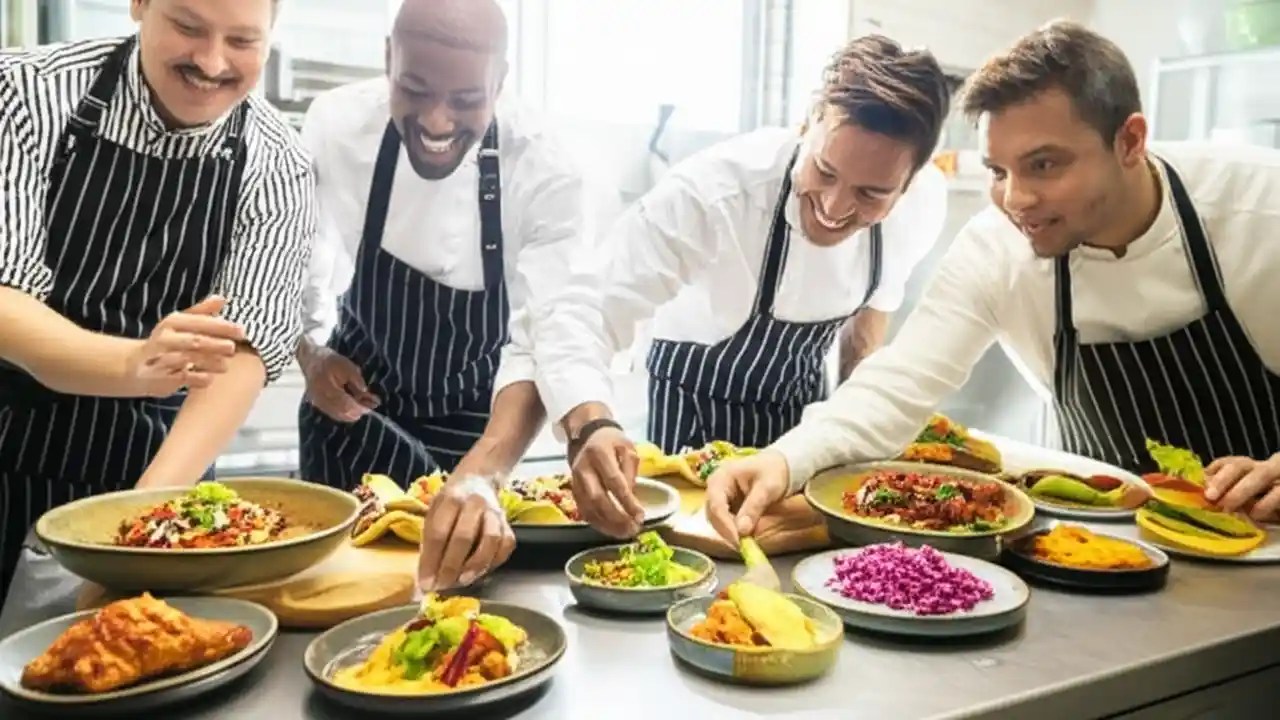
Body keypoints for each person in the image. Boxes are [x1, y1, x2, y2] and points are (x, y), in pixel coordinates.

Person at [704, 20, 1280, 542]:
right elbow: (897, 385)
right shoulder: (998, 247)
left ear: (1129, 141)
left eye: (1044, 165)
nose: (1017, 199)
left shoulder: (1260, 207)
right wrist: (783, 462)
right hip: (1103, 552)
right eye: (998, 171)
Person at [553, 36, 953, 537]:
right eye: (824, 170)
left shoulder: (920, 206)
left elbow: (866, 334)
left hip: (804, 426)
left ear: (910, 180)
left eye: (871, 193)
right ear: (808, 124)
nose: (833, 207)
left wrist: (857, 453)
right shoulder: (716, 193)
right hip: (694, 420)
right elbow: (583, 313)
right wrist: (590, 424)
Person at [0, 0, 315, 598]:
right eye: (188, 27)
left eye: (243, 41)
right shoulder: (22, 94)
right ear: (140, 4)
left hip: (164, 464)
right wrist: (130, 365)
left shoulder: (279, 163)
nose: (211, 61)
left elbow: (242, 353)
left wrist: (143, 530)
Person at [297, 0, 600, 590]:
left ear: (501, 83)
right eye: (414, 89)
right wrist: (310, 356)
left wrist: (484, 474)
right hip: (352, 416)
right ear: (388, 59)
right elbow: (295, 266)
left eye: (466, 101)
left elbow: (546, 334)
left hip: (479, 429)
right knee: (334, 600)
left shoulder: (545, 168)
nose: (437, 122)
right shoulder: (337, 127)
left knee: (457, 621)